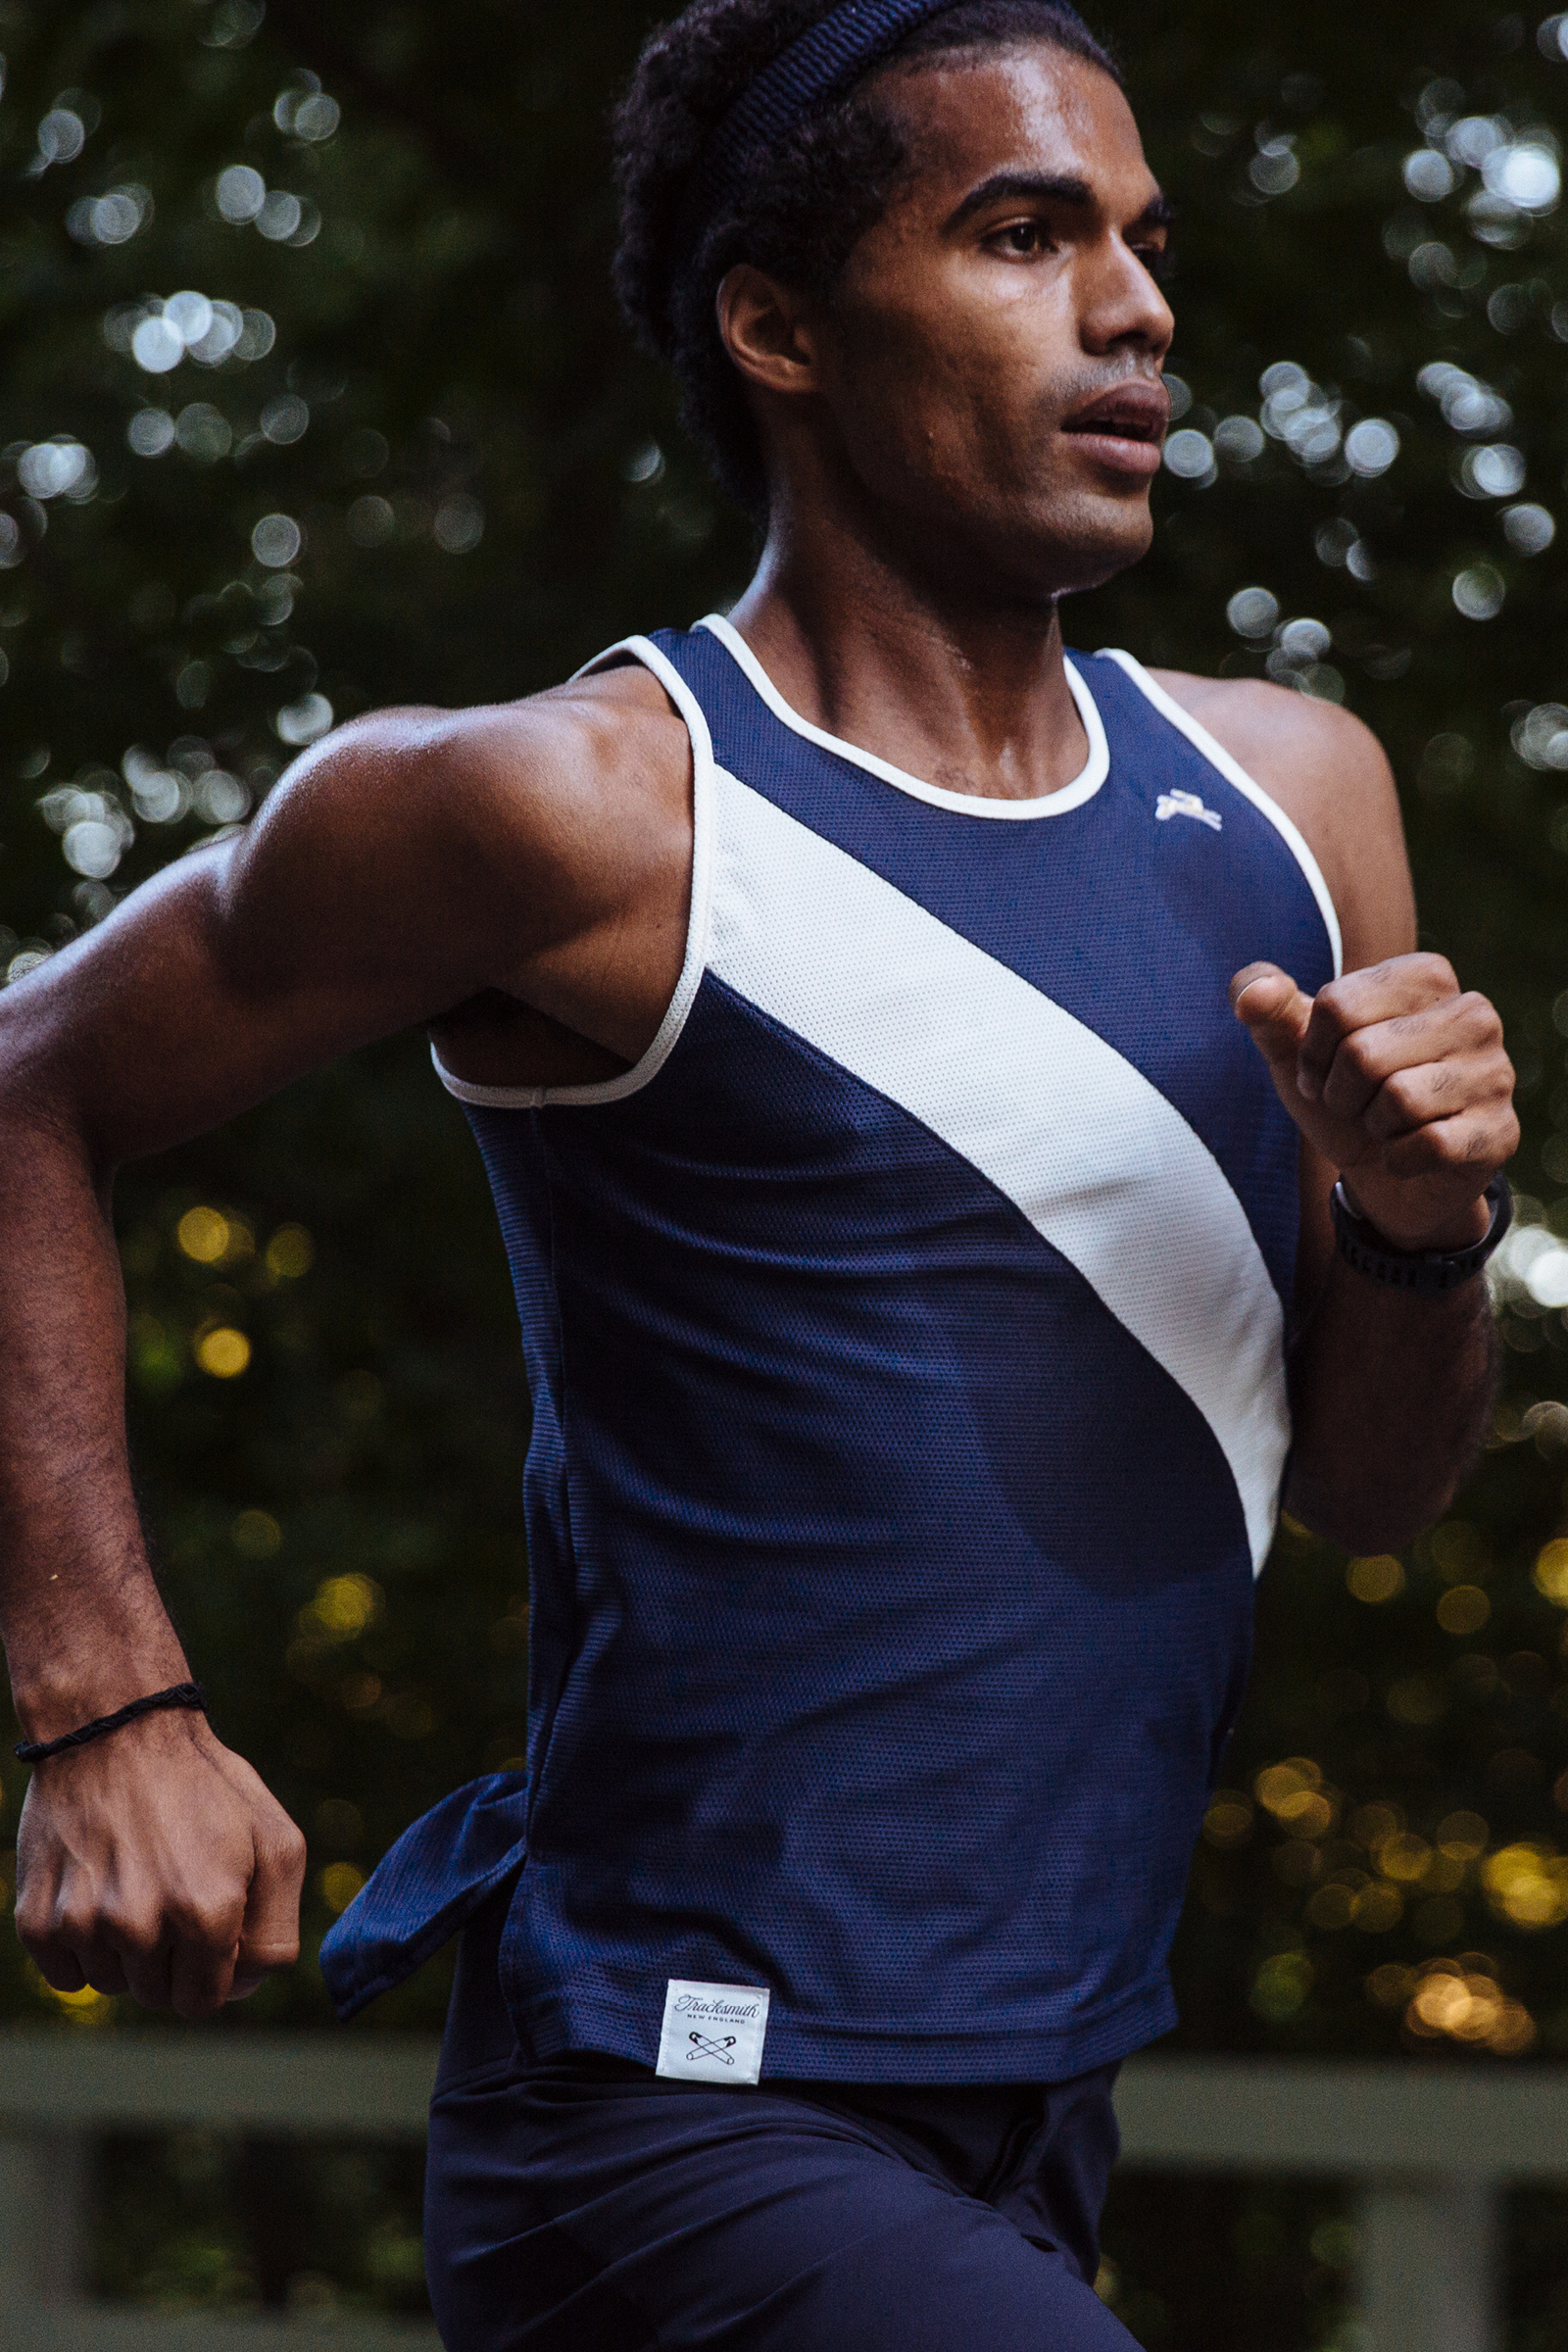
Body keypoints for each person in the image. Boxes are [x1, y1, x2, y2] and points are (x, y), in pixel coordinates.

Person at [0, 0, 1519, 2343]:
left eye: (1143, 242)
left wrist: (1420, 1237)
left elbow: (1368, 1492)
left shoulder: (1296, 804)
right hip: (667, 2113)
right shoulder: (578, 812)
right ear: (777, 326)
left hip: (1039, 2112)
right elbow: (28, 1082)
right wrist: (110, 1712)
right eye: (1020, 234)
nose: (1132, 307)